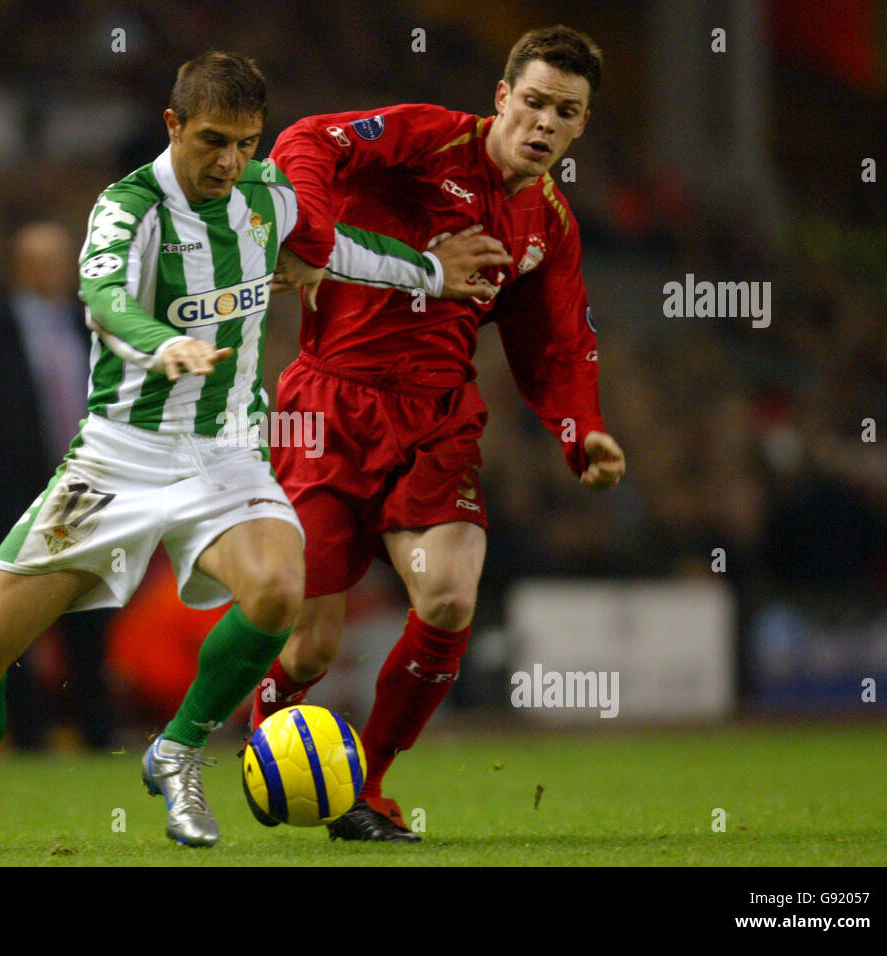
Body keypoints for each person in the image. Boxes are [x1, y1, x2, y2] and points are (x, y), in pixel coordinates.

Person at [0, 50, 498, 853]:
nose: (230, 160)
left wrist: (427, 271)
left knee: (280, 590)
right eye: (213, 140)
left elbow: (331, 247)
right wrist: (159, 341)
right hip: (116, 458)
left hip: (226, 453)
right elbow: (101, 301)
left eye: (246, 142)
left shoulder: (268, 194)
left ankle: (177, 748)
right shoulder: (128, 207)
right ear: (173, 125)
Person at [251, 25, 627, 841]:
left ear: (581, 126)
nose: (545, 123)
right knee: (311, 645)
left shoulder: (549, 225)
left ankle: (368, 788)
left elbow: (558, 345)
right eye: (533, 101)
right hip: (329, 409)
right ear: (502, 98)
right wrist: (311, 235)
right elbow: (305, 139)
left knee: (451, 597)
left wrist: (582, 430)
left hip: (436, 421)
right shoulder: (426, 139)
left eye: (566, 111)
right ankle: (258, 744)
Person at [0, 223, 116, 752]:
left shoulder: (93, 326)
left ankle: (96, 729)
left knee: (88, 608)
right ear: (17, 268)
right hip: (9, 497)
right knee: (11, 616)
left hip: (84, 491)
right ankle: (26, 733)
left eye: (58, 259)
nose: (49, 270)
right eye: (37, 261)